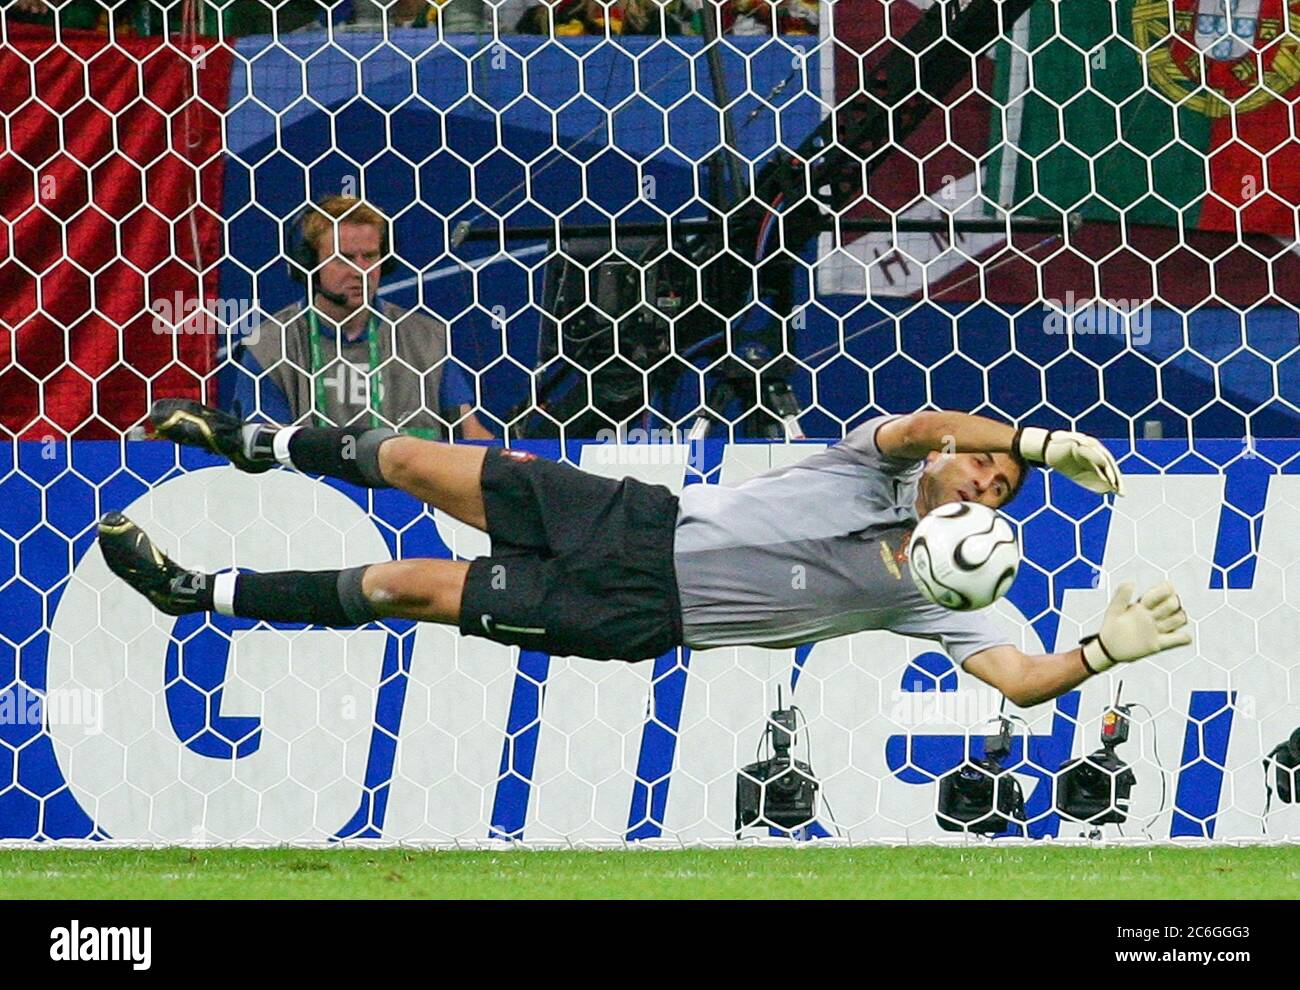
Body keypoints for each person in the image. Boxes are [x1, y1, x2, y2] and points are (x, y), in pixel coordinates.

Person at [98, 403, 1192, 707]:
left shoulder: (937, 599)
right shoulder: (883, 467)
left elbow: (1022, 679)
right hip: (631, 517)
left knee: (403, 585)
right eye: (985, 468)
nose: (986, 483)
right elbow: (919, 426)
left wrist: (1105, 649)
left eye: (1005, 489)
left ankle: (195, 594)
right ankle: (260, 442)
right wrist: (1041, 441)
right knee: (420, 459)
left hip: (636, 616)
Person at [228, 195, 493, 441]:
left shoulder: (425, 338)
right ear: (309, 264)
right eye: (344, 259)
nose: (360, 270)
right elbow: (265, 448)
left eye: (369, 256)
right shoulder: (269, 346)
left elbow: (471, 436)